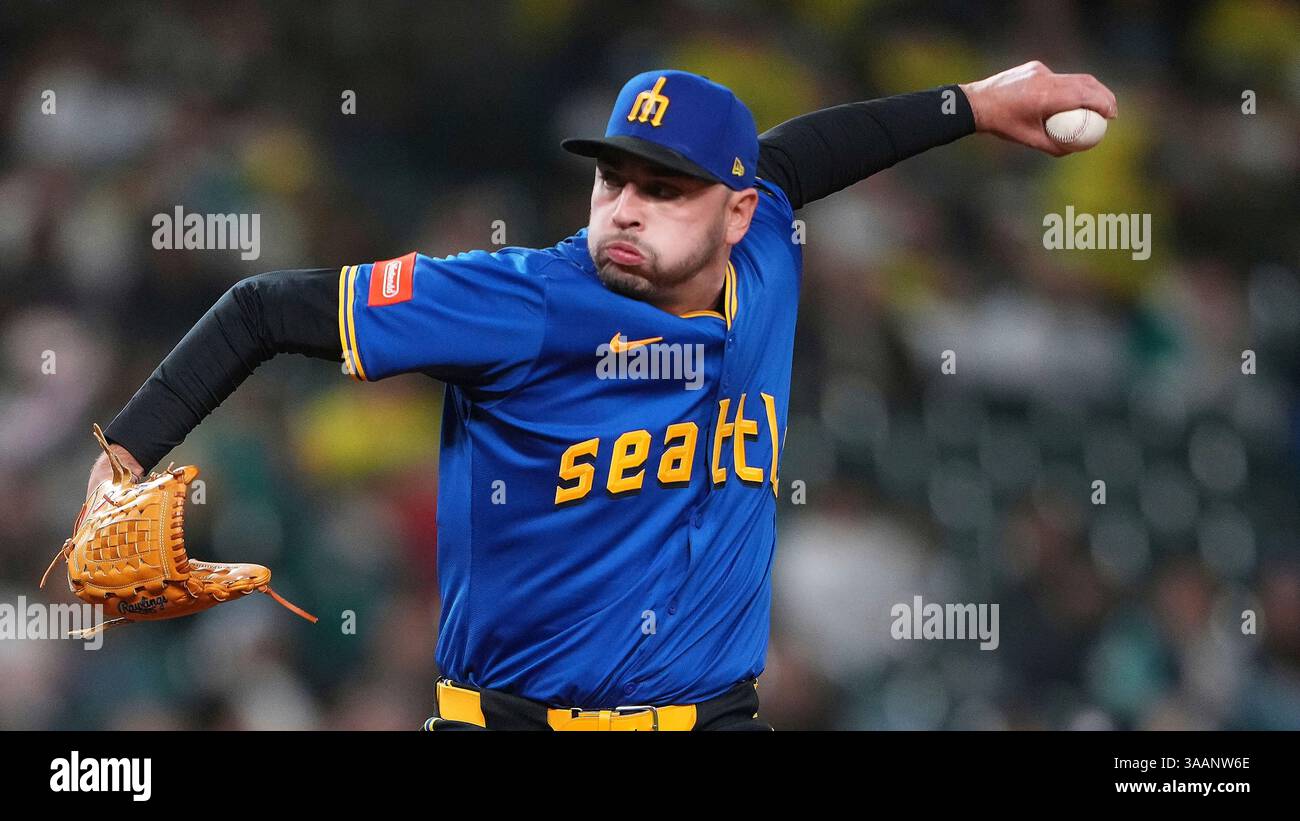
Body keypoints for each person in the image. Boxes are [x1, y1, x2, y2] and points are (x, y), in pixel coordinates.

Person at [85, 62, 1116, 730]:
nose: (623, 207)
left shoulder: (766, 247)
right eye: (610, 179)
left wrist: (973, 105)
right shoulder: (524, 299)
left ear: (737, 209)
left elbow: (808, 151)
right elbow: (263, 308)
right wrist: (126, 453)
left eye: (662, 187)